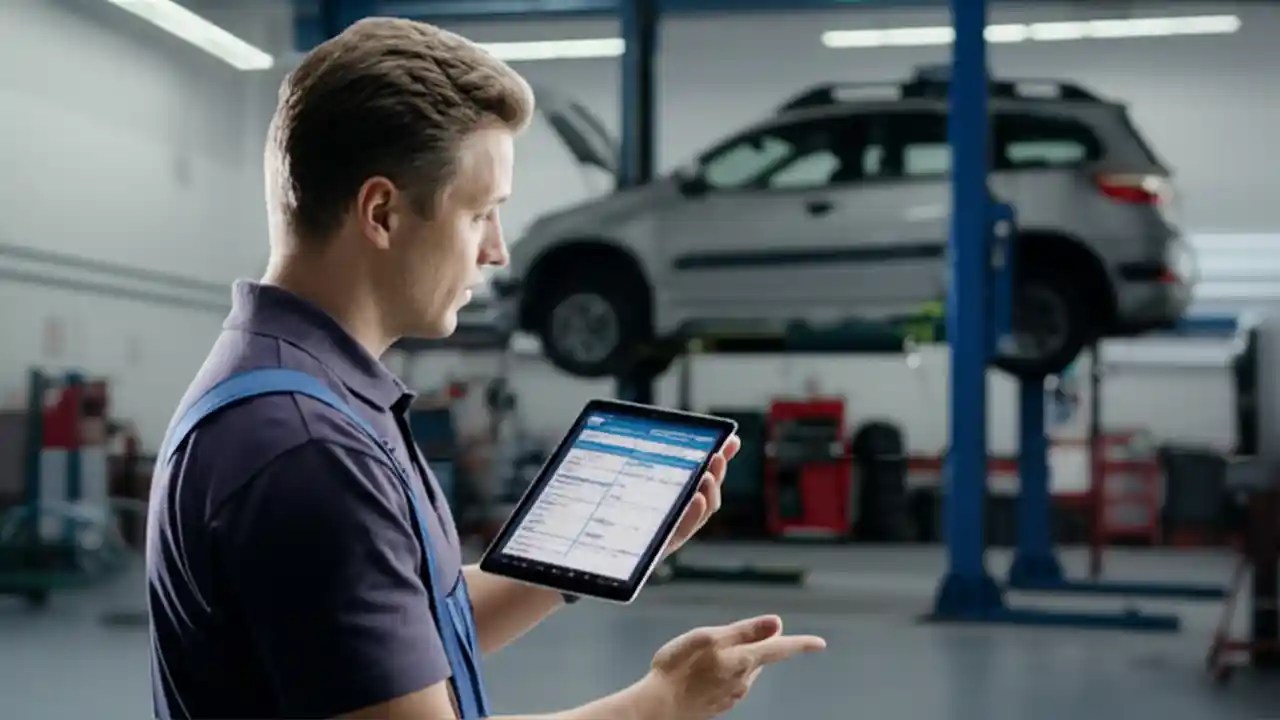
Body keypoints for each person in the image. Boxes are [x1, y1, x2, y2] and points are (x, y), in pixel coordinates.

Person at [145, 16, 825, 720]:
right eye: (481, 214)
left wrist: (586, 554)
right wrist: (662, 702)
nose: (497, 251)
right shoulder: (308, 450)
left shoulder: (295, 389)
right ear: (381, 212)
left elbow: (401, 621)